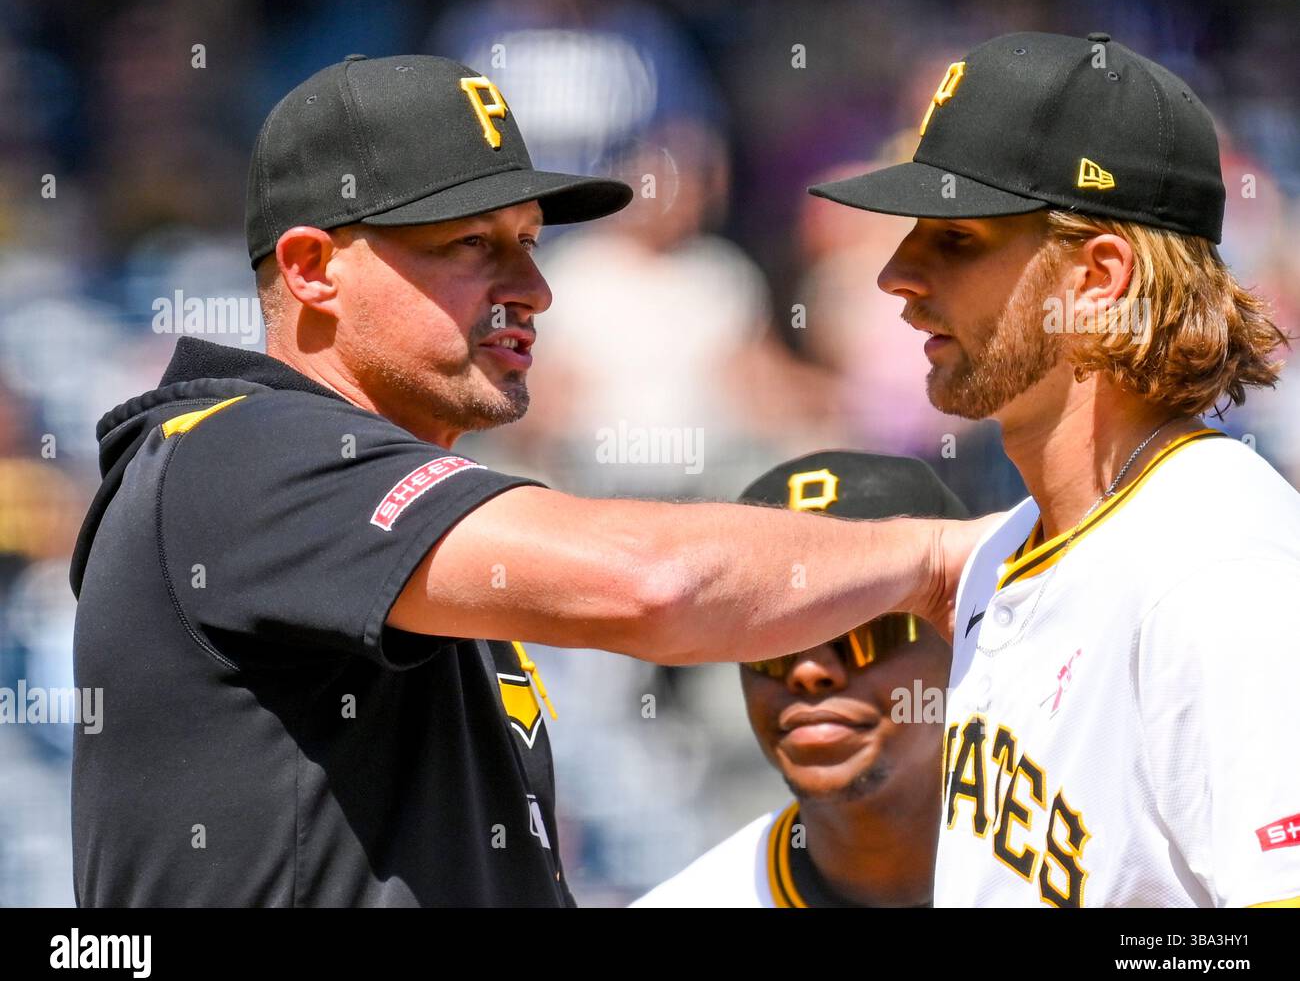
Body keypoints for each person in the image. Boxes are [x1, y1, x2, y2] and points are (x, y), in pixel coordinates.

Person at [68, 54, 982, 907]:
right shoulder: (239, 450)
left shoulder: (375, 511)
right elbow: (651, 583)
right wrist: (944, 554)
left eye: (531, 241)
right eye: (473, 244)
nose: (534, 288)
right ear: (312, 269)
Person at [809, 31, 1300, 908]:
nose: (896, 274)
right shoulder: (1017, 545)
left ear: (1100, 275)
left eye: (954, 238)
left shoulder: (1222, 574)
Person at [633, 452, 966, 908]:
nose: (810, 671)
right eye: (771, 634)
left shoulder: (1084, 872)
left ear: (961, 630)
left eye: (862, 630)